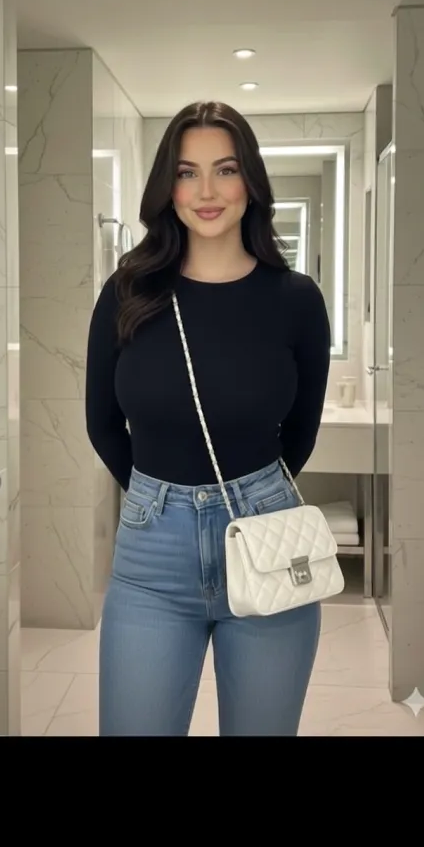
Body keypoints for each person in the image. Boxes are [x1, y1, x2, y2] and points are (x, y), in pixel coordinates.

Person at [85, 101, 331, 736]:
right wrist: (158, 496)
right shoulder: (127, 292)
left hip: (268, 535)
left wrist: (250, 495)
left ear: (250, 180)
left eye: (224, 169)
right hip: (151, 560)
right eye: (187, 172)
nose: (207, 191)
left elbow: (300, 430)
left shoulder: (295, 299)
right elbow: (101, 422)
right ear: (168, 187)